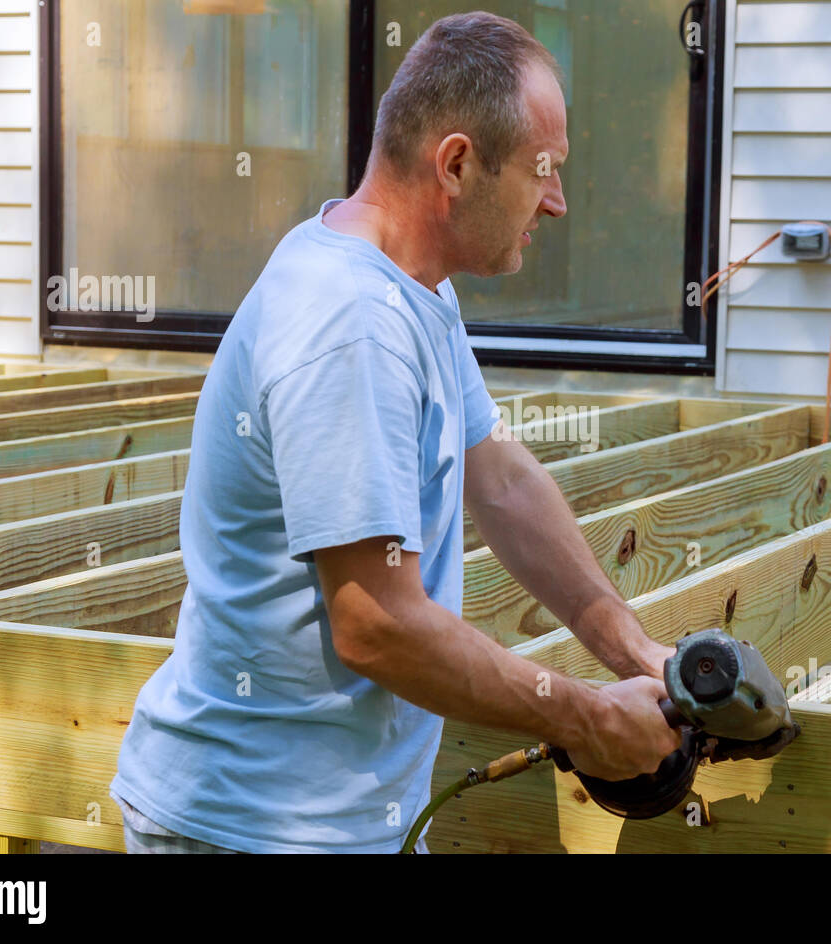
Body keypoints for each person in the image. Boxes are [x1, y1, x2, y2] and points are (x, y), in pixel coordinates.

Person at [110, 10, 680, 854]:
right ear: (455, 164)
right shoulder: (351, 324)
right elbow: (376, 622)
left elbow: (502, 481)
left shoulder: (414, 288)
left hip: (336, 821)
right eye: (542, 171)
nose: (558, 202)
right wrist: (588, 718)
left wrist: (636, 652)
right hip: (256, 827)